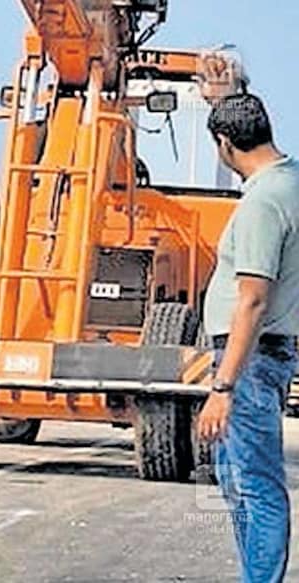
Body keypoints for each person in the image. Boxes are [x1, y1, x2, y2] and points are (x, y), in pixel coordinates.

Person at [196, 94, 299, 583]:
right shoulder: (289, 181)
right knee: (235, 479)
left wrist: (223, 388)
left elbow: (254, 299)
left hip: (250, 360)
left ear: (224, 144)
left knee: (255, 484)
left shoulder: (262, 201)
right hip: (259, 356)